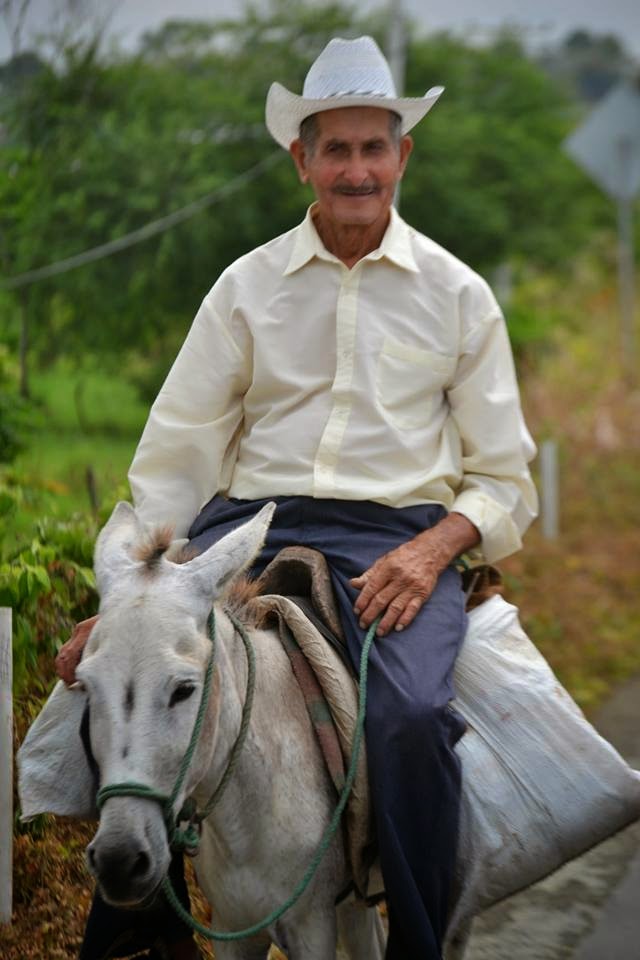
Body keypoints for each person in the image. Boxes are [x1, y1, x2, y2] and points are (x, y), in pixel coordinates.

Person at [64, 35, 537, 960]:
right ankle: (143, 930)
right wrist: (129, 603)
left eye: (374, 148)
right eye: (337, 149)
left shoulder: (459, 295)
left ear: (403, 154)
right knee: (108, 686)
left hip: (396, 540)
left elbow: (502, 478)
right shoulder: (244, 289)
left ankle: (417, 941)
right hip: (247, 524)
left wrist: (433, 550)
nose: (357, 170)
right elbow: (177, 455)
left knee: (409, 719)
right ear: (302, 160)